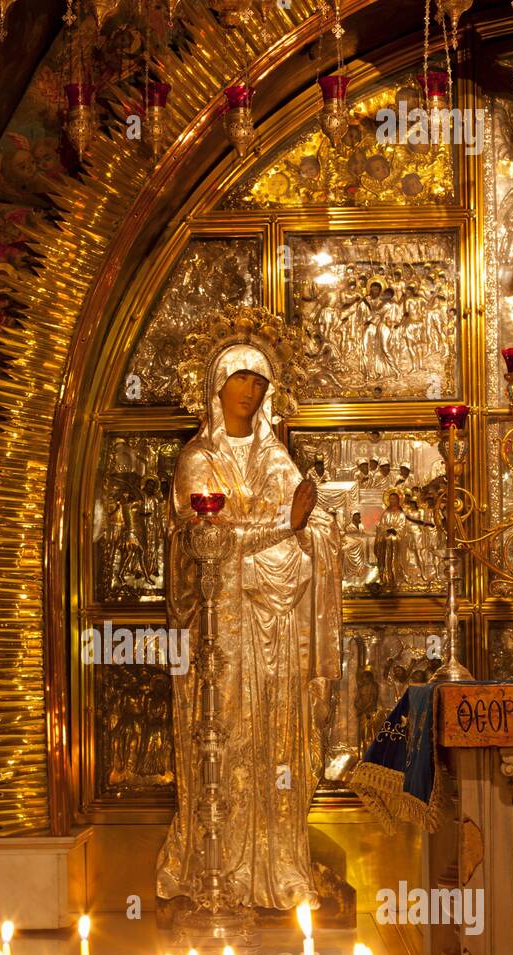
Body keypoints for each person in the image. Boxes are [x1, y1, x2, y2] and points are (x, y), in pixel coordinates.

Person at [156, 342, 343, 911]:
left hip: (278, 625)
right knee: (225, 738)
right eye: (240, 378)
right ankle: (217, 867)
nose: (251, 390)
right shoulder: (198, 460)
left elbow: (309, 529)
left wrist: (307, 529)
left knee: (276, 741)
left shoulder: (277, 460)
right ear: (216, 386)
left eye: (260, 382)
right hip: (220, 631)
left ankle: (281, 863)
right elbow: (203, 539)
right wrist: (282, 525)